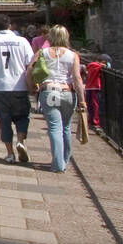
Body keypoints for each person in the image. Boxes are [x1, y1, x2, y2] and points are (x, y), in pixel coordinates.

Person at [26, 24, 85, 173]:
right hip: (67, 92)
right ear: (66, 37)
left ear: (51, 36)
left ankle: (58, 164)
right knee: (66, 127)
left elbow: (30, 70)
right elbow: (77, 78)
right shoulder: (73, 55)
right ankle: (64, 160)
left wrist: (32, 86)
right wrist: (82, 99)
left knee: (54, 127)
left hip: (50, 91)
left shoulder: (42, 52)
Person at [0, 14, 34, 164]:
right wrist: (32, 85)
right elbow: (30, 64)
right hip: (19, 86)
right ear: (10, 25)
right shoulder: (22, 41)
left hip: (0, 87)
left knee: (4, 121)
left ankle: (10, 154)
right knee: (22, 117)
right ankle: (21, 141)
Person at [84, 54, 105, 129]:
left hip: (88, 87)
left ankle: (90, 120)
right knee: (96, 105)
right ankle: (96, 121)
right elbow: (105, 67)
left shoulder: (89, 65)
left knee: (90, 105)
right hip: (95, 87)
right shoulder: (99, 66)